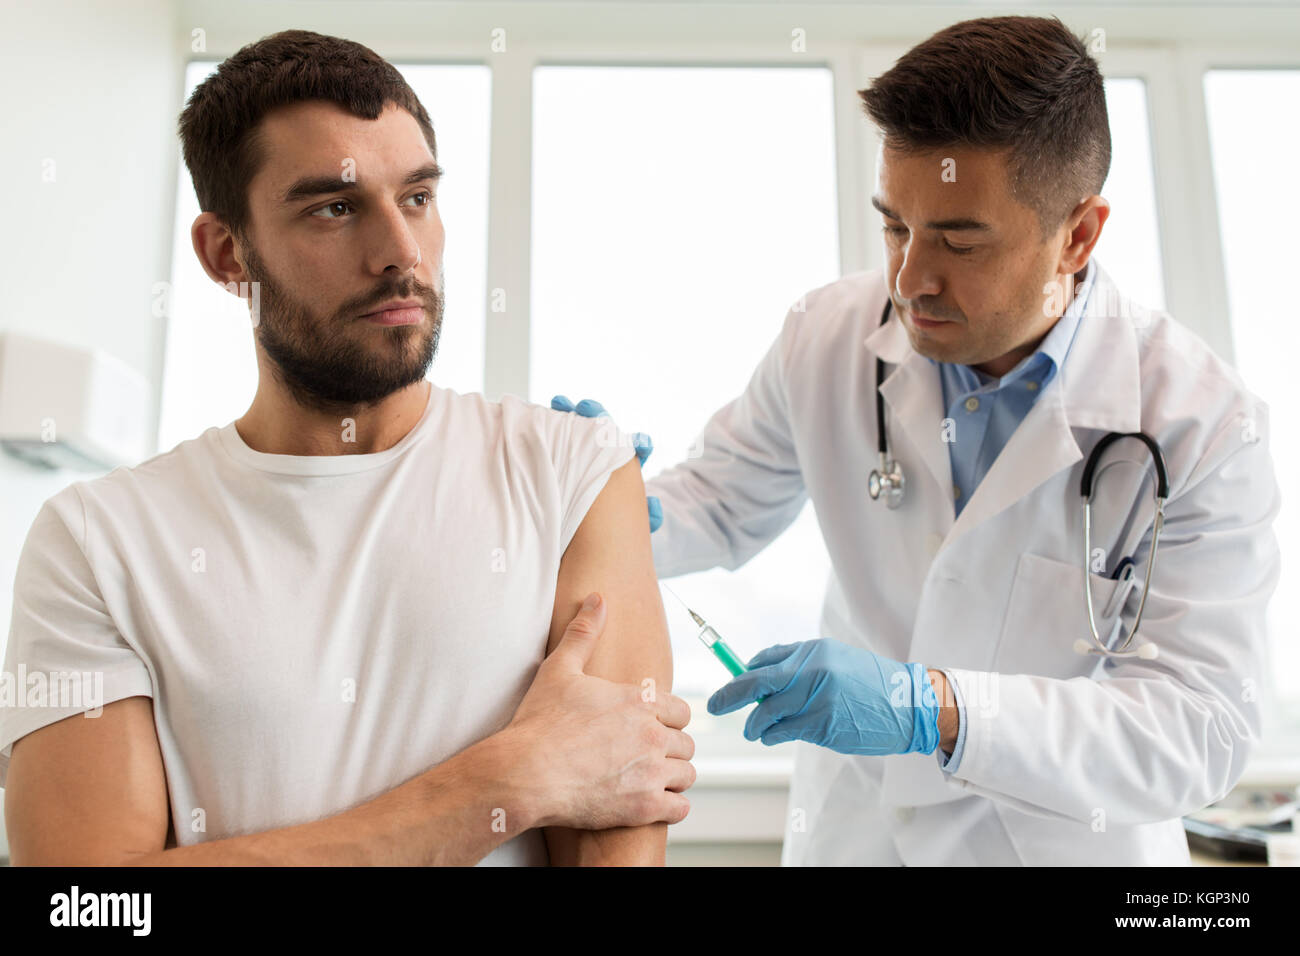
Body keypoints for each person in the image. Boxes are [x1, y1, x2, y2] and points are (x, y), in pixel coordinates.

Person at [555, 15, 1281, 865]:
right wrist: (599, 502)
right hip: (854, 837)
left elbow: (1200, 727)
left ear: (1078, 235)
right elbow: (717, 504)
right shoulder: (827, 334)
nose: (909, 281)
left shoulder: (1199, 423)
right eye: (896, 226)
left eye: (959, 240)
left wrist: (926, 708)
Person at [0, 30, 695, 867]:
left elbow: (616, 831)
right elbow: (95, 906)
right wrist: (504, 785)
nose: (401, 254)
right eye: (335, 207)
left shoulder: (574, 473)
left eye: (417, 198)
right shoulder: (96, 544)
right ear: (228, 254)